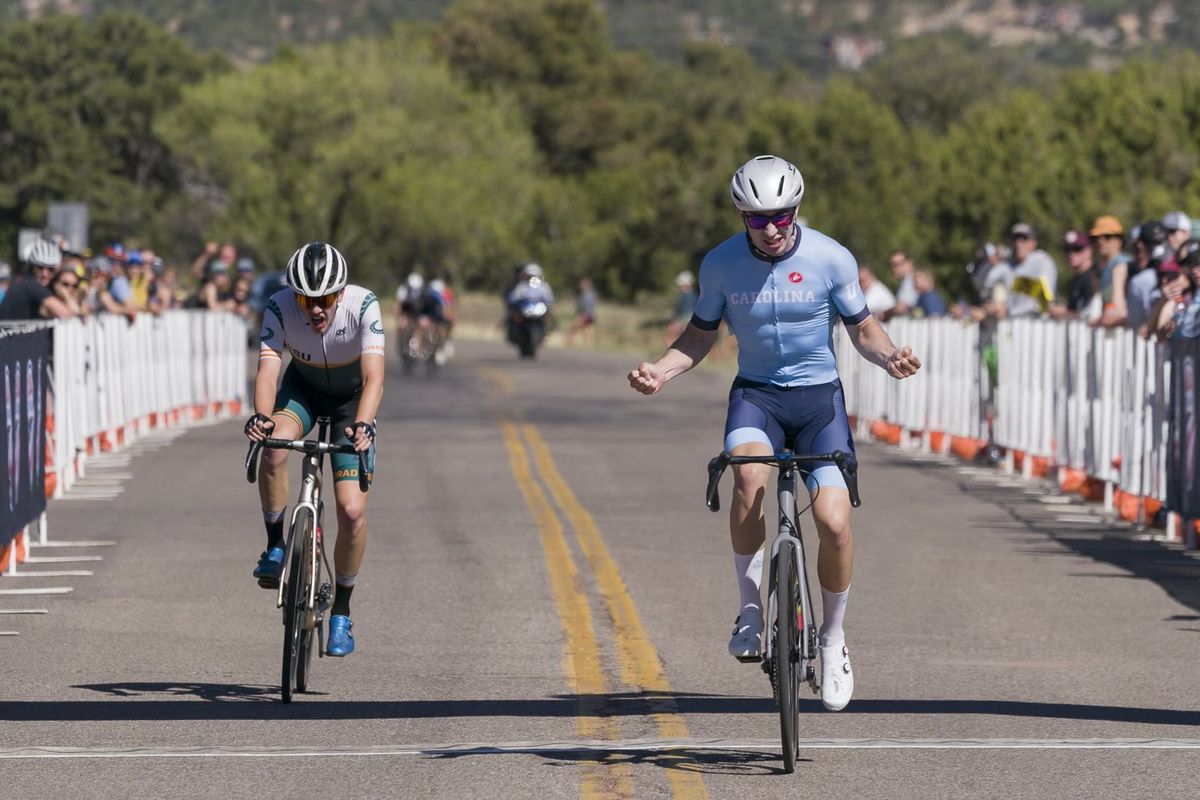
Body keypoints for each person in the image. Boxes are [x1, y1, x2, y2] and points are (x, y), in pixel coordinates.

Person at [626, 155, 921, 712]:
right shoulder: (720, 265)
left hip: (818, 403)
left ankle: (833, 640)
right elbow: (697, 337)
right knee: (748, 480)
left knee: (834, 521)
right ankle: (750, 609)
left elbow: (863, 329)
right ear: (742, 216)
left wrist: (891, 358)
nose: (772, 227)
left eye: (782, 215)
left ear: (797, 209)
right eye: (758, 218)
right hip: (756, 397)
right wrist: (659, 372)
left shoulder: (831, 258)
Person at [244, 242, 385, 657]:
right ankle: (275, 545)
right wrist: (261, 415)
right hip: (302, 390)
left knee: (352, 512)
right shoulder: (278, 304)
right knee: (273, 449)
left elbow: (374, 378)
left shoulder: (364, 305)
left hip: (349, 405)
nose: (315, 310)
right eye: (306, 299)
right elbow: (268, 369)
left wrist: (362, 424)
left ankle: (341, 610)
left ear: (340, 294)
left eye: (324, 299)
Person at [0, 239, 73, 320]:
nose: (44, 274)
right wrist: (67, 296)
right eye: (40, 267)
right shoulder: (30, 285)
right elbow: (65, 313)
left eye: (50, 269)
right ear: (32, 266)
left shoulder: (25, 282)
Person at [1126, 220, 1169, 333]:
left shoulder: (1139, 281)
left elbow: (1136, 326)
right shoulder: (1185, 274)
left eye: (1136, 249)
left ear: (1141, 246)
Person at [1005, 223, 1056, 318]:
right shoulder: (1007, 266)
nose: (1018, 243)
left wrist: (1017, 284)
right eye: (1015, 238)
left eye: (1024, 239)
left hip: (1037, 324)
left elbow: (1045, 297)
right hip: (1012, 323)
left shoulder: (1042, 261)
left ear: (1033, 243)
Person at [1049, 230, 1100, 322]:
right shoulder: (1074, 281)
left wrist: (1063, 312)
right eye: (1067, 250)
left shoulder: (1095, 276)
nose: (1071, 254)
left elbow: (1089, 314)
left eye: (1077, 249)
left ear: (1089, 251)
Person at [1091, 214, 1131, 328]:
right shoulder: (1102, 268)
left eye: (1107, 236)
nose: (1101, 241)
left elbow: (1122, 309)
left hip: (1127, 330)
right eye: (1097, 237)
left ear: (1119, 240)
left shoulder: (1124, 263)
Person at [882, 250, 918, 319]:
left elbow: (901, 308)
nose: (895, 268)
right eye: (892, 265)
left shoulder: (910, 280)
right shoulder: (907, 280)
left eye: (899, 264)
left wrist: (885, 313)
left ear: (910, 262)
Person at [664, 271, 698, 344]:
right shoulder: (694, 295)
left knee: (670, 336)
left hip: (684, 320)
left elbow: (679, 311)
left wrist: (673, 320)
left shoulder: (684, 296)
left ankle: (673, 353)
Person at [569, 277, 598, 346]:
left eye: (582, 285)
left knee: (575, 328)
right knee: (588, 330)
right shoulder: (587, 294)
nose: (581, 286)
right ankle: (588, 344)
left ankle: (573, 344)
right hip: (589, 315)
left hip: (585, 315)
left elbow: (588, 306)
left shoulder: (587, 295)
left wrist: (584, 315)